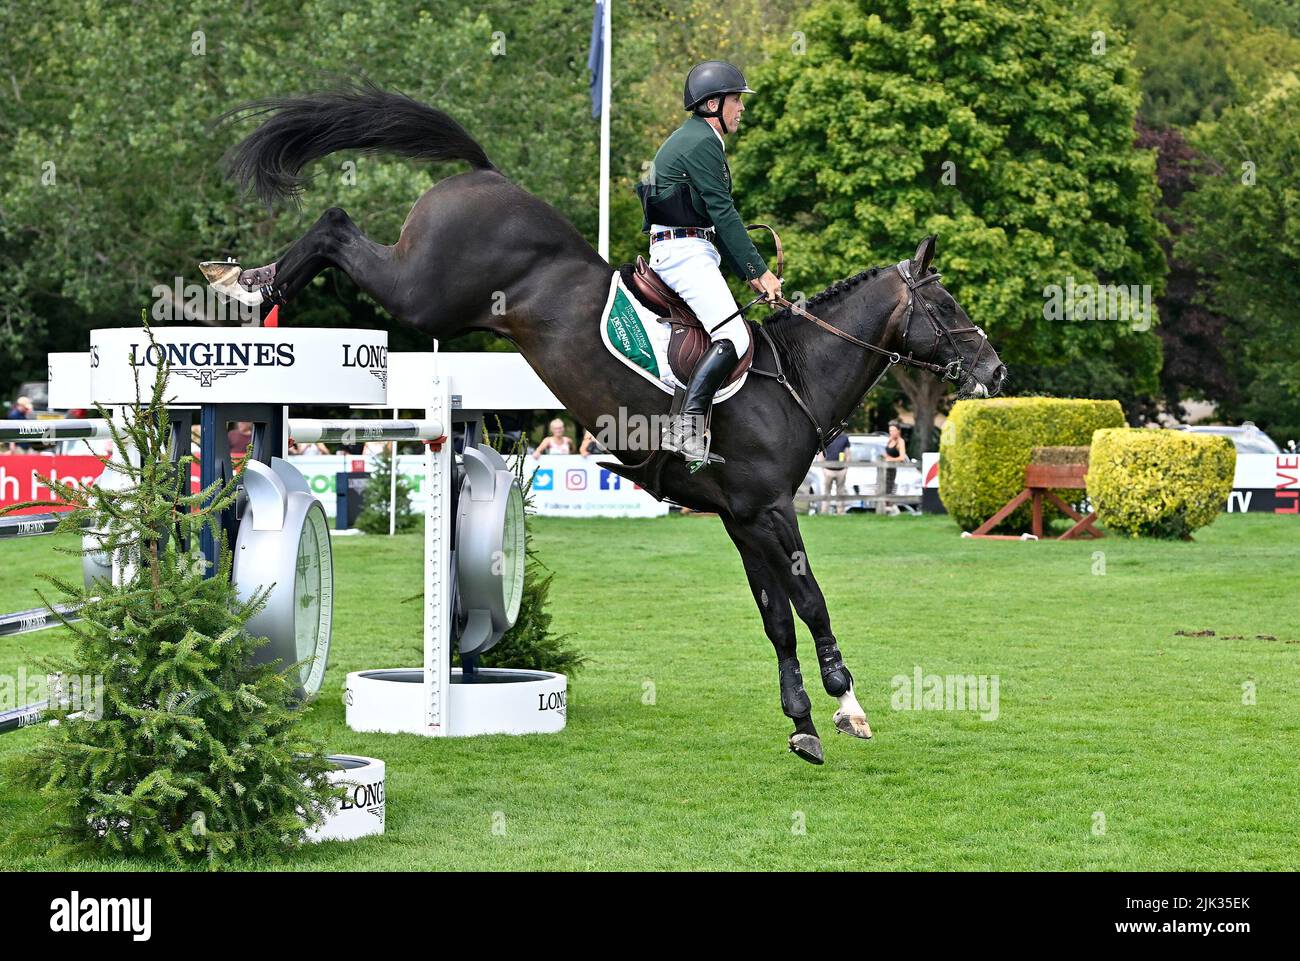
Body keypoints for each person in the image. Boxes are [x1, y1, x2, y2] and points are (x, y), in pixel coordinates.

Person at [636, 60, 782, 470]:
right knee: (734, 336)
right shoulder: (701, 142)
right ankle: (685, 428)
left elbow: (716, 219)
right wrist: (758, 270)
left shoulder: (698, 138)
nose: (741, 108)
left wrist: (749, 275)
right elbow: (724, 212)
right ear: (713, 103)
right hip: (683, 252)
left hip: (689, 247)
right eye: (737, 101)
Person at [820, 432, 852, 515]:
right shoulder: (827, 436)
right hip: (828, 470)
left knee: (840, 492)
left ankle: (840, 512)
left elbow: (848, 453)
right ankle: (824, 512)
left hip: (841, 470)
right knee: (827, 492)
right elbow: (821, 453)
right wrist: (823, 468)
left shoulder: (844, 438)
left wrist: (846, 468)